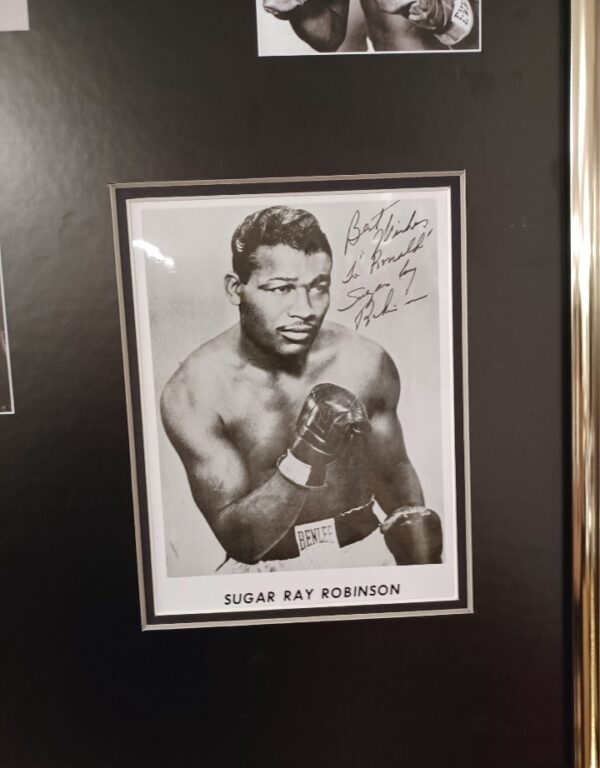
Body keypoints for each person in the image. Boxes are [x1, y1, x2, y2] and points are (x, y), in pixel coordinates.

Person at [161, 205, 442, 572]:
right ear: (236, 289)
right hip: (265, 575)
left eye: (318, 287)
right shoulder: (194, 391)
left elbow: (394, 473)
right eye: (282, 288)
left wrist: (422, 558)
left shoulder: (364, 361)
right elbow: (241, 541)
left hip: (367, 555)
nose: (305, 309)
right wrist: (307, 456)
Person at [262, 0, 477, 53]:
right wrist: (299, 9)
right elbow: (330, 36)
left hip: (445, 81)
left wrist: (443, 17)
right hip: (385, 87)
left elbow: (499, 29)